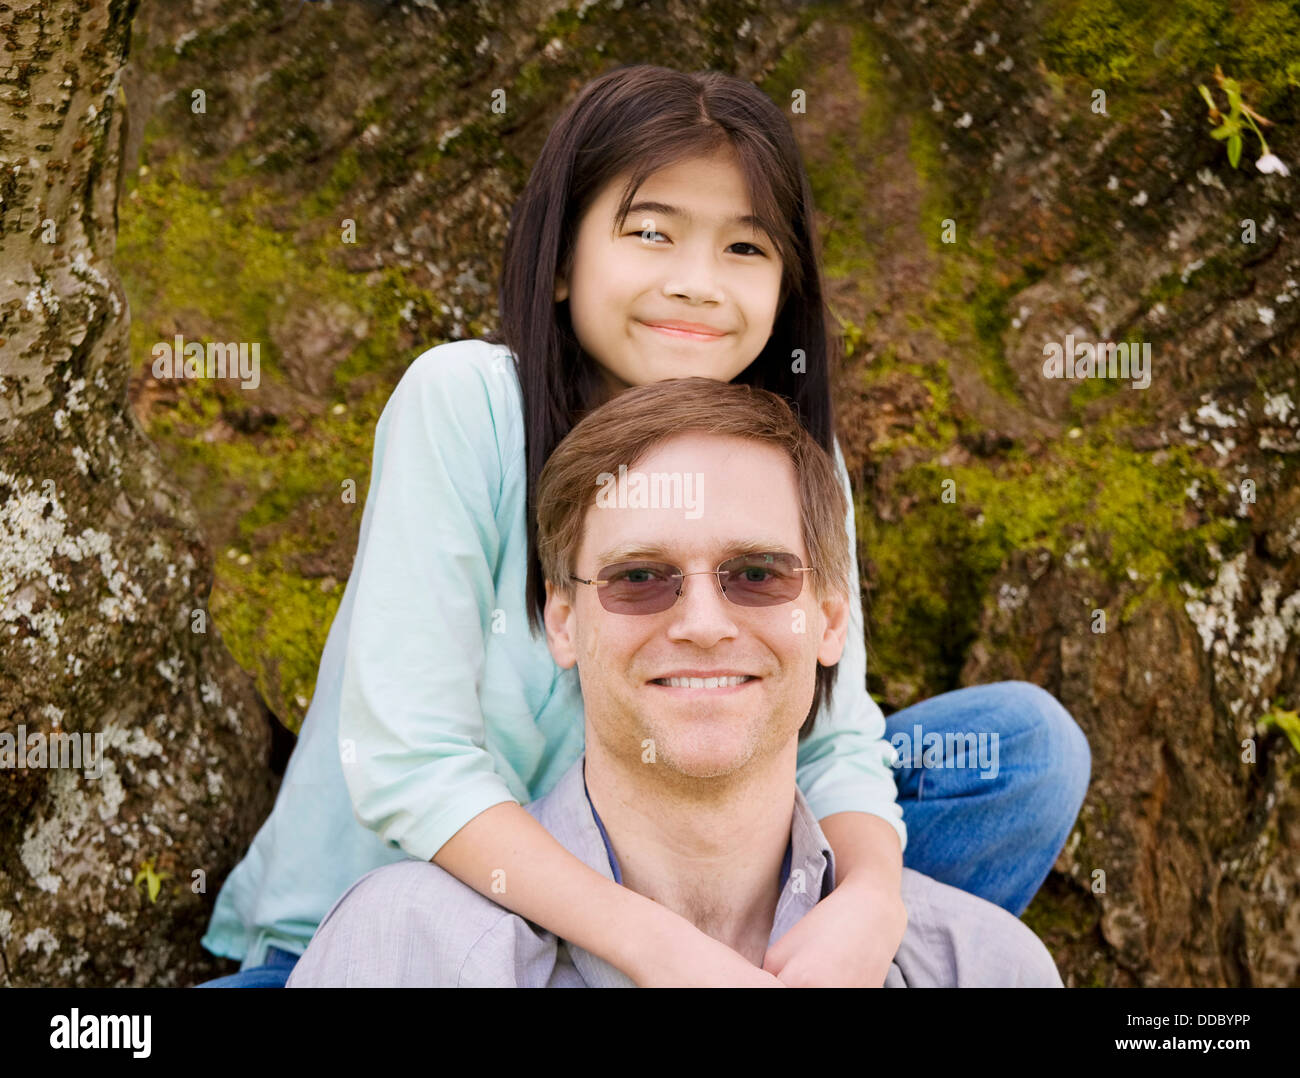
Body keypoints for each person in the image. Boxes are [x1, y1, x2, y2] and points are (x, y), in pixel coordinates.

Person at [198, 64, 1089, 989]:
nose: (698, 285)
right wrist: (662, 953)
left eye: (745, 249)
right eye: (651, 233)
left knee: (1018, 754)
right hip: (401, 927)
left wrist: (870, 903)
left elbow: (832, 736)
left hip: (710, 897)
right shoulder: (468, 406)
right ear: (560, 265)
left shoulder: (787, 453)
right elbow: (407, 759)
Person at [285, 378, 1063, 987]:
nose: (702, 622)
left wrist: (874, 894)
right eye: (640, 577)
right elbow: (409, 764)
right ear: (561, 621)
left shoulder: (988, 968)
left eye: (757, 574)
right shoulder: (407, 949)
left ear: (831, 620)